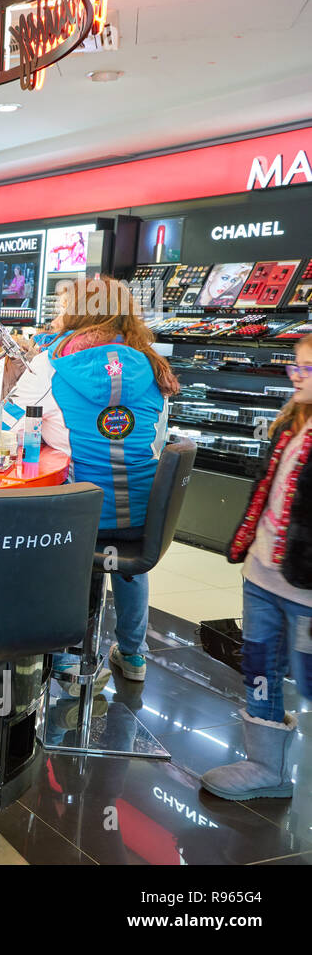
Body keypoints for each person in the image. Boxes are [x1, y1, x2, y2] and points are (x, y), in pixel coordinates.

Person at [6, 276, 180, 691]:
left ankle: (67, 656)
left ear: (75, 312)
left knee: (67, 549)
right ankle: (133, 653)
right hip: (143, 519)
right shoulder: (153, 364)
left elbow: (7, 431)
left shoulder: (50, 364)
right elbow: (155, 441)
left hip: (80, 521)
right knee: (126, 565)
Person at [200, 333, 312, 801]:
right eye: (296, 367)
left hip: (306, 590)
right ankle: (265, 766)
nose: (296, 376)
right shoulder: (293, 421)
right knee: (261, 670)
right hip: (263, 576)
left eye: (307, 369)